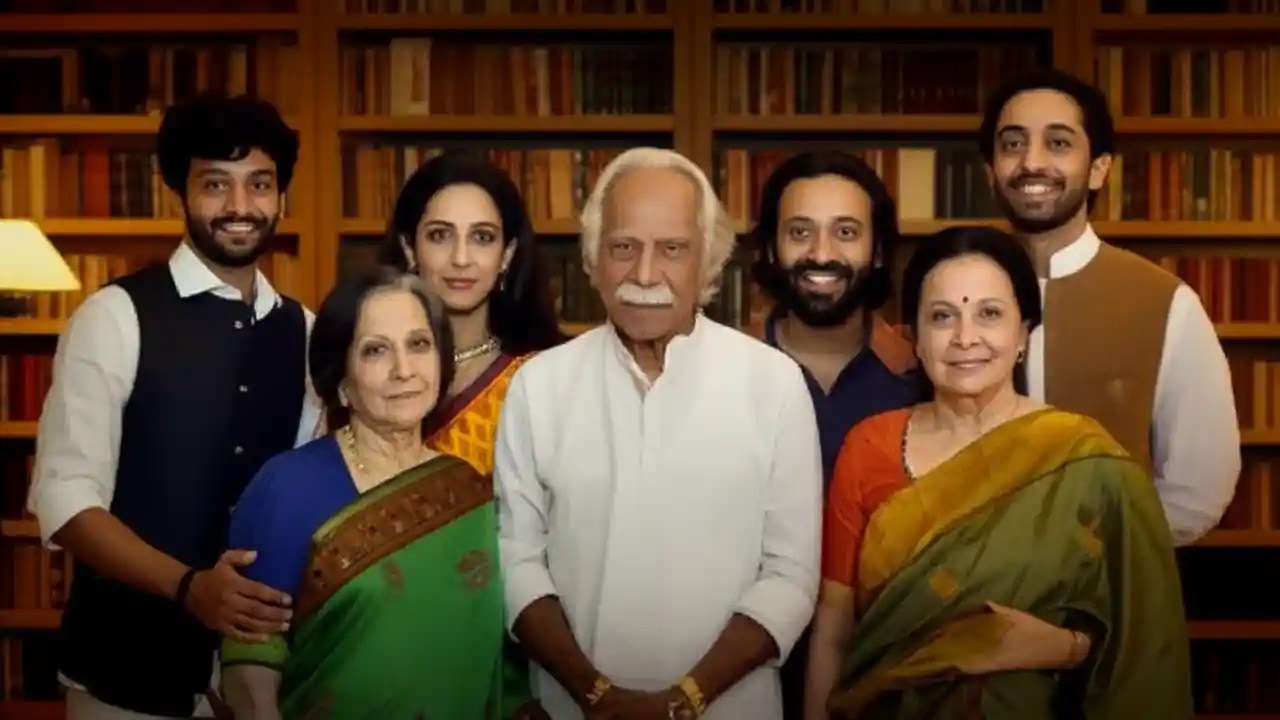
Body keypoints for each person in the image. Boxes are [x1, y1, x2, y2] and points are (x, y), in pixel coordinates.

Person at [805, 226, 1193, 719]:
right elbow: (835, 626)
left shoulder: (1086, 462)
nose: (966, 338)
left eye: (989, 314)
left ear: (1023, 333)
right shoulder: (868, 447)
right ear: (915, 338)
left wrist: (1064, 648)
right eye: (942, 316)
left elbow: (1144, 643)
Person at [494, 147, 823, 719]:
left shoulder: (773, 383)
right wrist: (598, 696)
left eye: (672, 249)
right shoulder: (540, 385)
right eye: (624, 248)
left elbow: (790, 577)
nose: (645, 275)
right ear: (592, 260)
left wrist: (682, 701)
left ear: (709, 262)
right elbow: (516, 562)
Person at [26, 95, 319, 719]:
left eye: (259, 184)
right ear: (177, 194)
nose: (240, 205)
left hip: (264, 681)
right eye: (215, 183)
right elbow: (65, 500)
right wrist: (187, 587)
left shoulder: (308, 332)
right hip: (122, 681)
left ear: (281, 198)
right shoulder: (114, 316)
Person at [219, 268, 541, 719]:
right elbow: (250, 665)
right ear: (341, 381)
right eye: (376, 350)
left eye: (419, 344)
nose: (404, 370)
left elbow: (496, 660)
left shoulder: (466, 486)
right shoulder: (288, 488)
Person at [979, 68, 1239, 546]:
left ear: (1099, 168)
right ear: (990, 170)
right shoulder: (954, 293)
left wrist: (1093, 555)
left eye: (1058, 143)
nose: (1031, 162)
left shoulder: (1166, 303)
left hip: (1116, 580)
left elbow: (1199, 488)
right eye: (1012, 144)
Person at [750, 151, 922, 718]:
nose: (821, 254)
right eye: (800, 232)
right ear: (770, 248)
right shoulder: (723, 373)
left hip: (892, 675)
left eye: (845, 232)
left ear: (878, 251)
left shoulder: (926, 377)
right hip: (738, 671)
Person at [378, 150, 564, 477]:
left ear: (507, 255)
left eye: (482, 237)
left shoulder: (543, 380)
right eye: (440, 235)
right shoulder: (370, 369)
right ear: (410, 249)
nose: (461, 258)